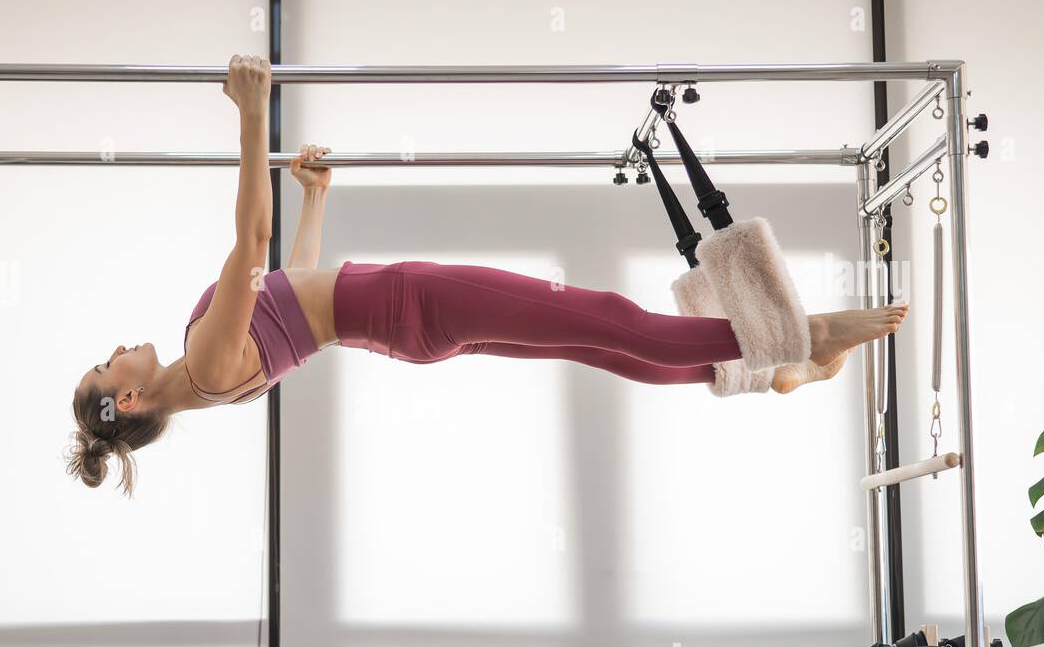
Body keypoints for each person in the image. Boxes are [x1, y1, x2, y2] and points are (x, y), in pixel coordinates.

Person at [68, 54, 906, 494]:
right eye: (108, 365)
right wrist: (253, 116)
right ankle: (802, 333)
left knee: (599, 343)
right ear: (128, 400)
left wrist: (312, 200)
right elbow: (250, 245)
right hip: (412, 303)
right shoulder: (205, 366)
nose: (117, 350)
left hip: (408, 325)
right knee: (602, 316)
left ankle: (764, 365)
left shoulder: (212, 367)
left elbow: (291, 297)